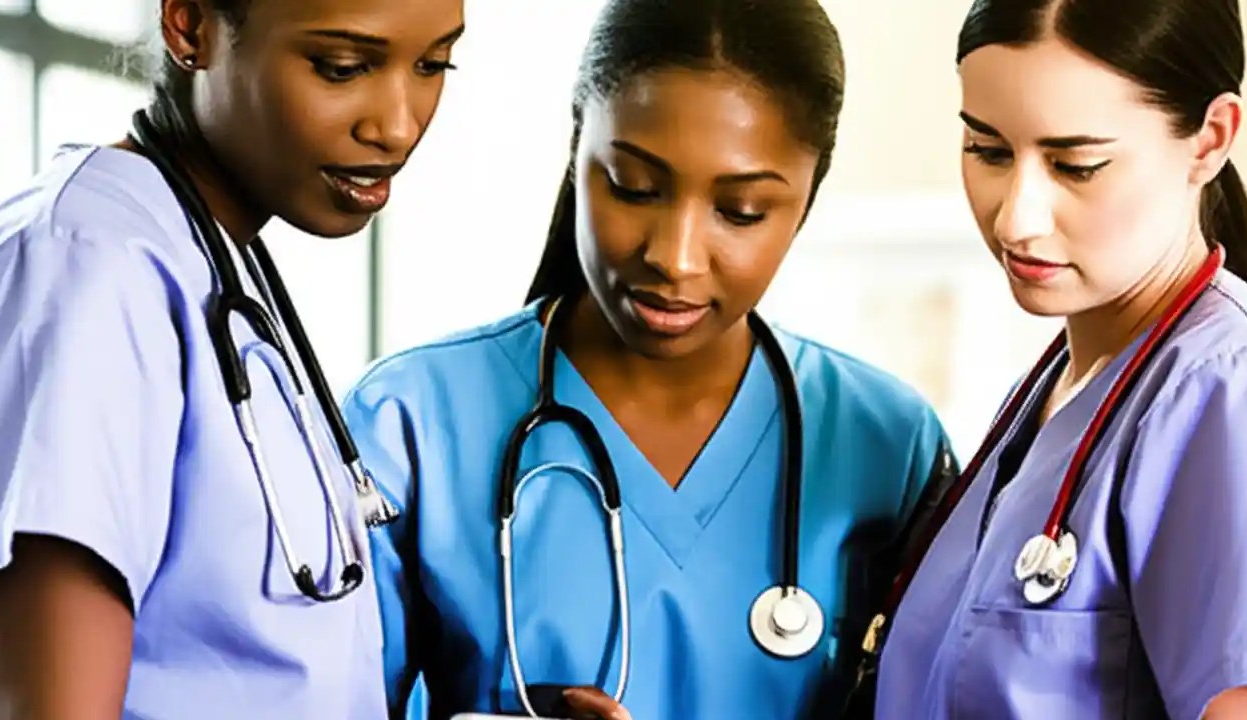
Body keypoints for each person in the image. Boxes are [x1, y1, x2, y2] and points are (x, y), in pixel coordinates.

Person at [343, 1, 958, 718]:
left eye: (742, 212)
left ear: (808, 196)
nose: (674, 257)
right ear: (578, 150)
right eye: (634, 188)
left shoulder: (889, 445)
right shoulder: (410, 422)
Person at [0, 0, 463, 717]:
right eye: (343, 68)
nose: (397, 125)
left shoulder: (209, 258)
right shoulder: (91, 266)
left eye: (433, 64)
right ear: (191, 28)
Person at [873, 0, 1247, 717]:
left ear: (1210, 139)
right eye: (989, 152)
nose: (1015, 218)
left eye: (1076, 165)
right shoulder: (1058, 389)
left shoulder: (1222, 382)